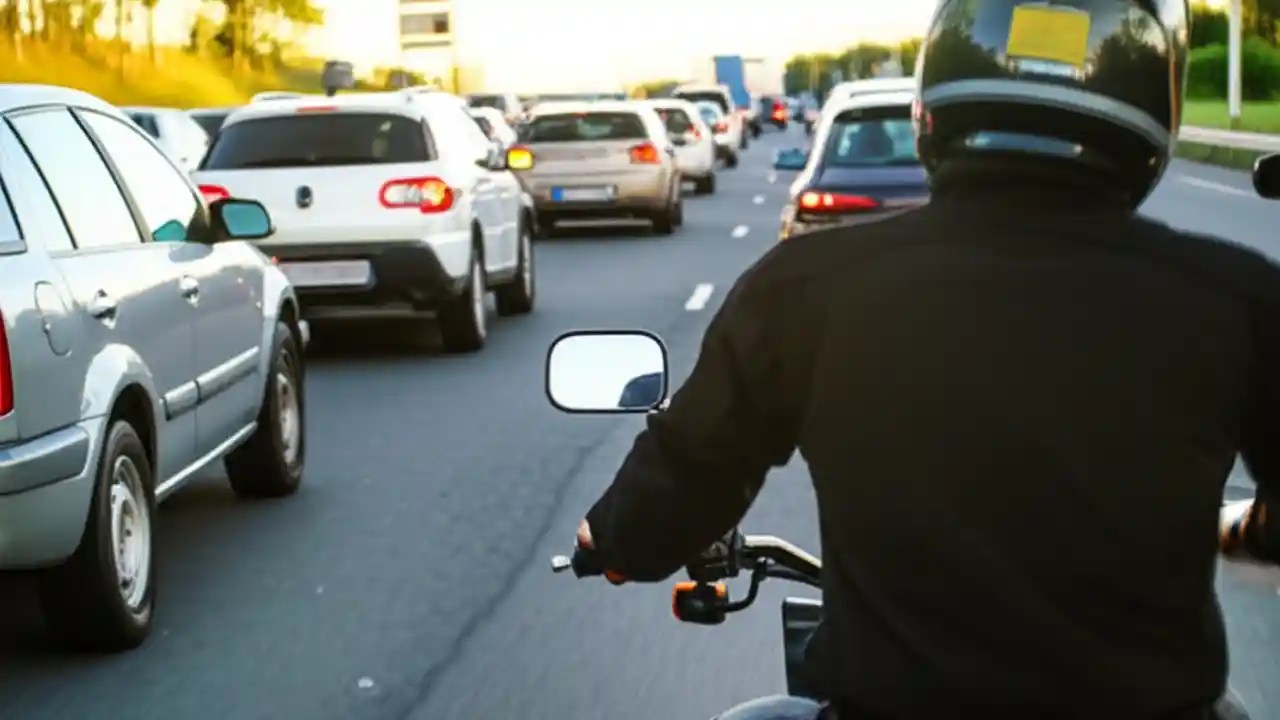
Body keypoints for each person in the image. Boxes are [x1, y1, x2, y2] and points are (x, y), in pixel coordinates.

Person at [573, 1, 1278, 718]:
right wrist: (1250, 529)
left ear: (934, 99)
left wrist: (615, 536)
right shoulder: (1237, 296)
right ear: (1154, 104)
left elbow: (696, 465)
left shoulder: (806, 286)